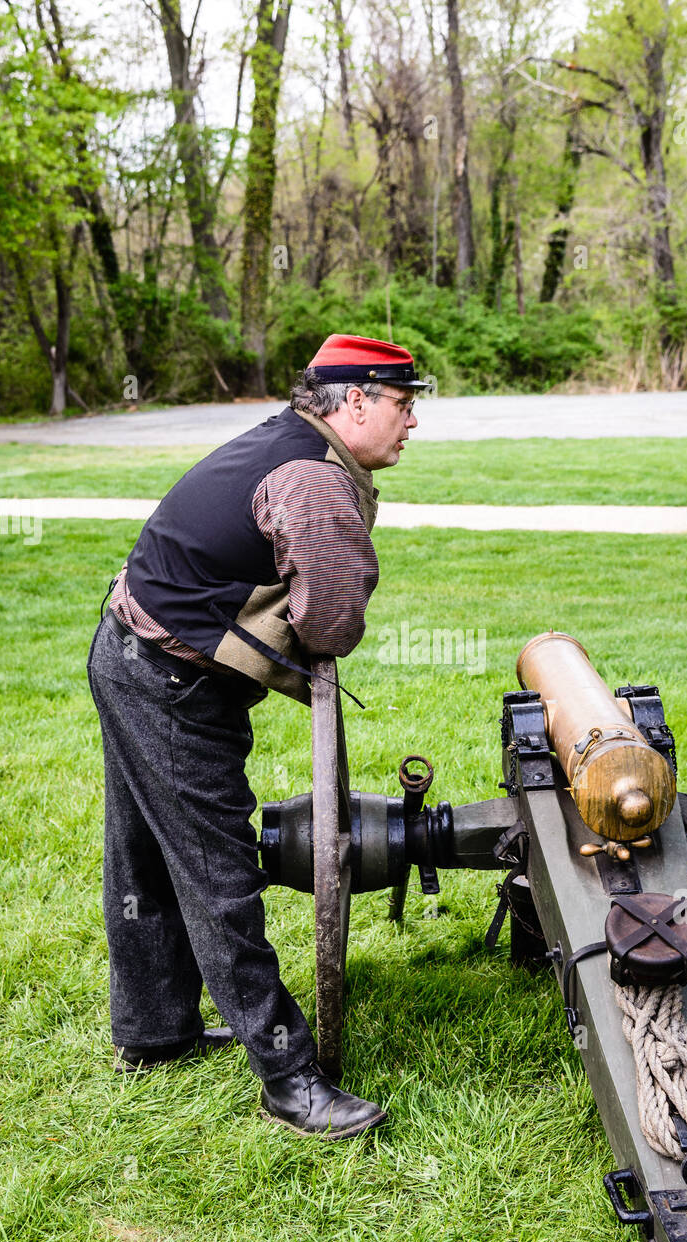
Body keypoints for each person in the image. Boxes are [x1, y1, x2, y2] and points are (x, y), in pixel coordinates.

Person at [87, 334, 431, 1140]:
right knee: (219, 878)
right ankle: (289, 1080)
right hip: (169, 681)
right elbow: (332, 620)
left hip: (130, 650)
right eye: (402, 402)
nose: (412, 421)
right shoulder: (311, 480)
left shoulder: (292, 442)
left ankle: (154, 1033)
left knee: (142, 853)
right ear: (353, 402)